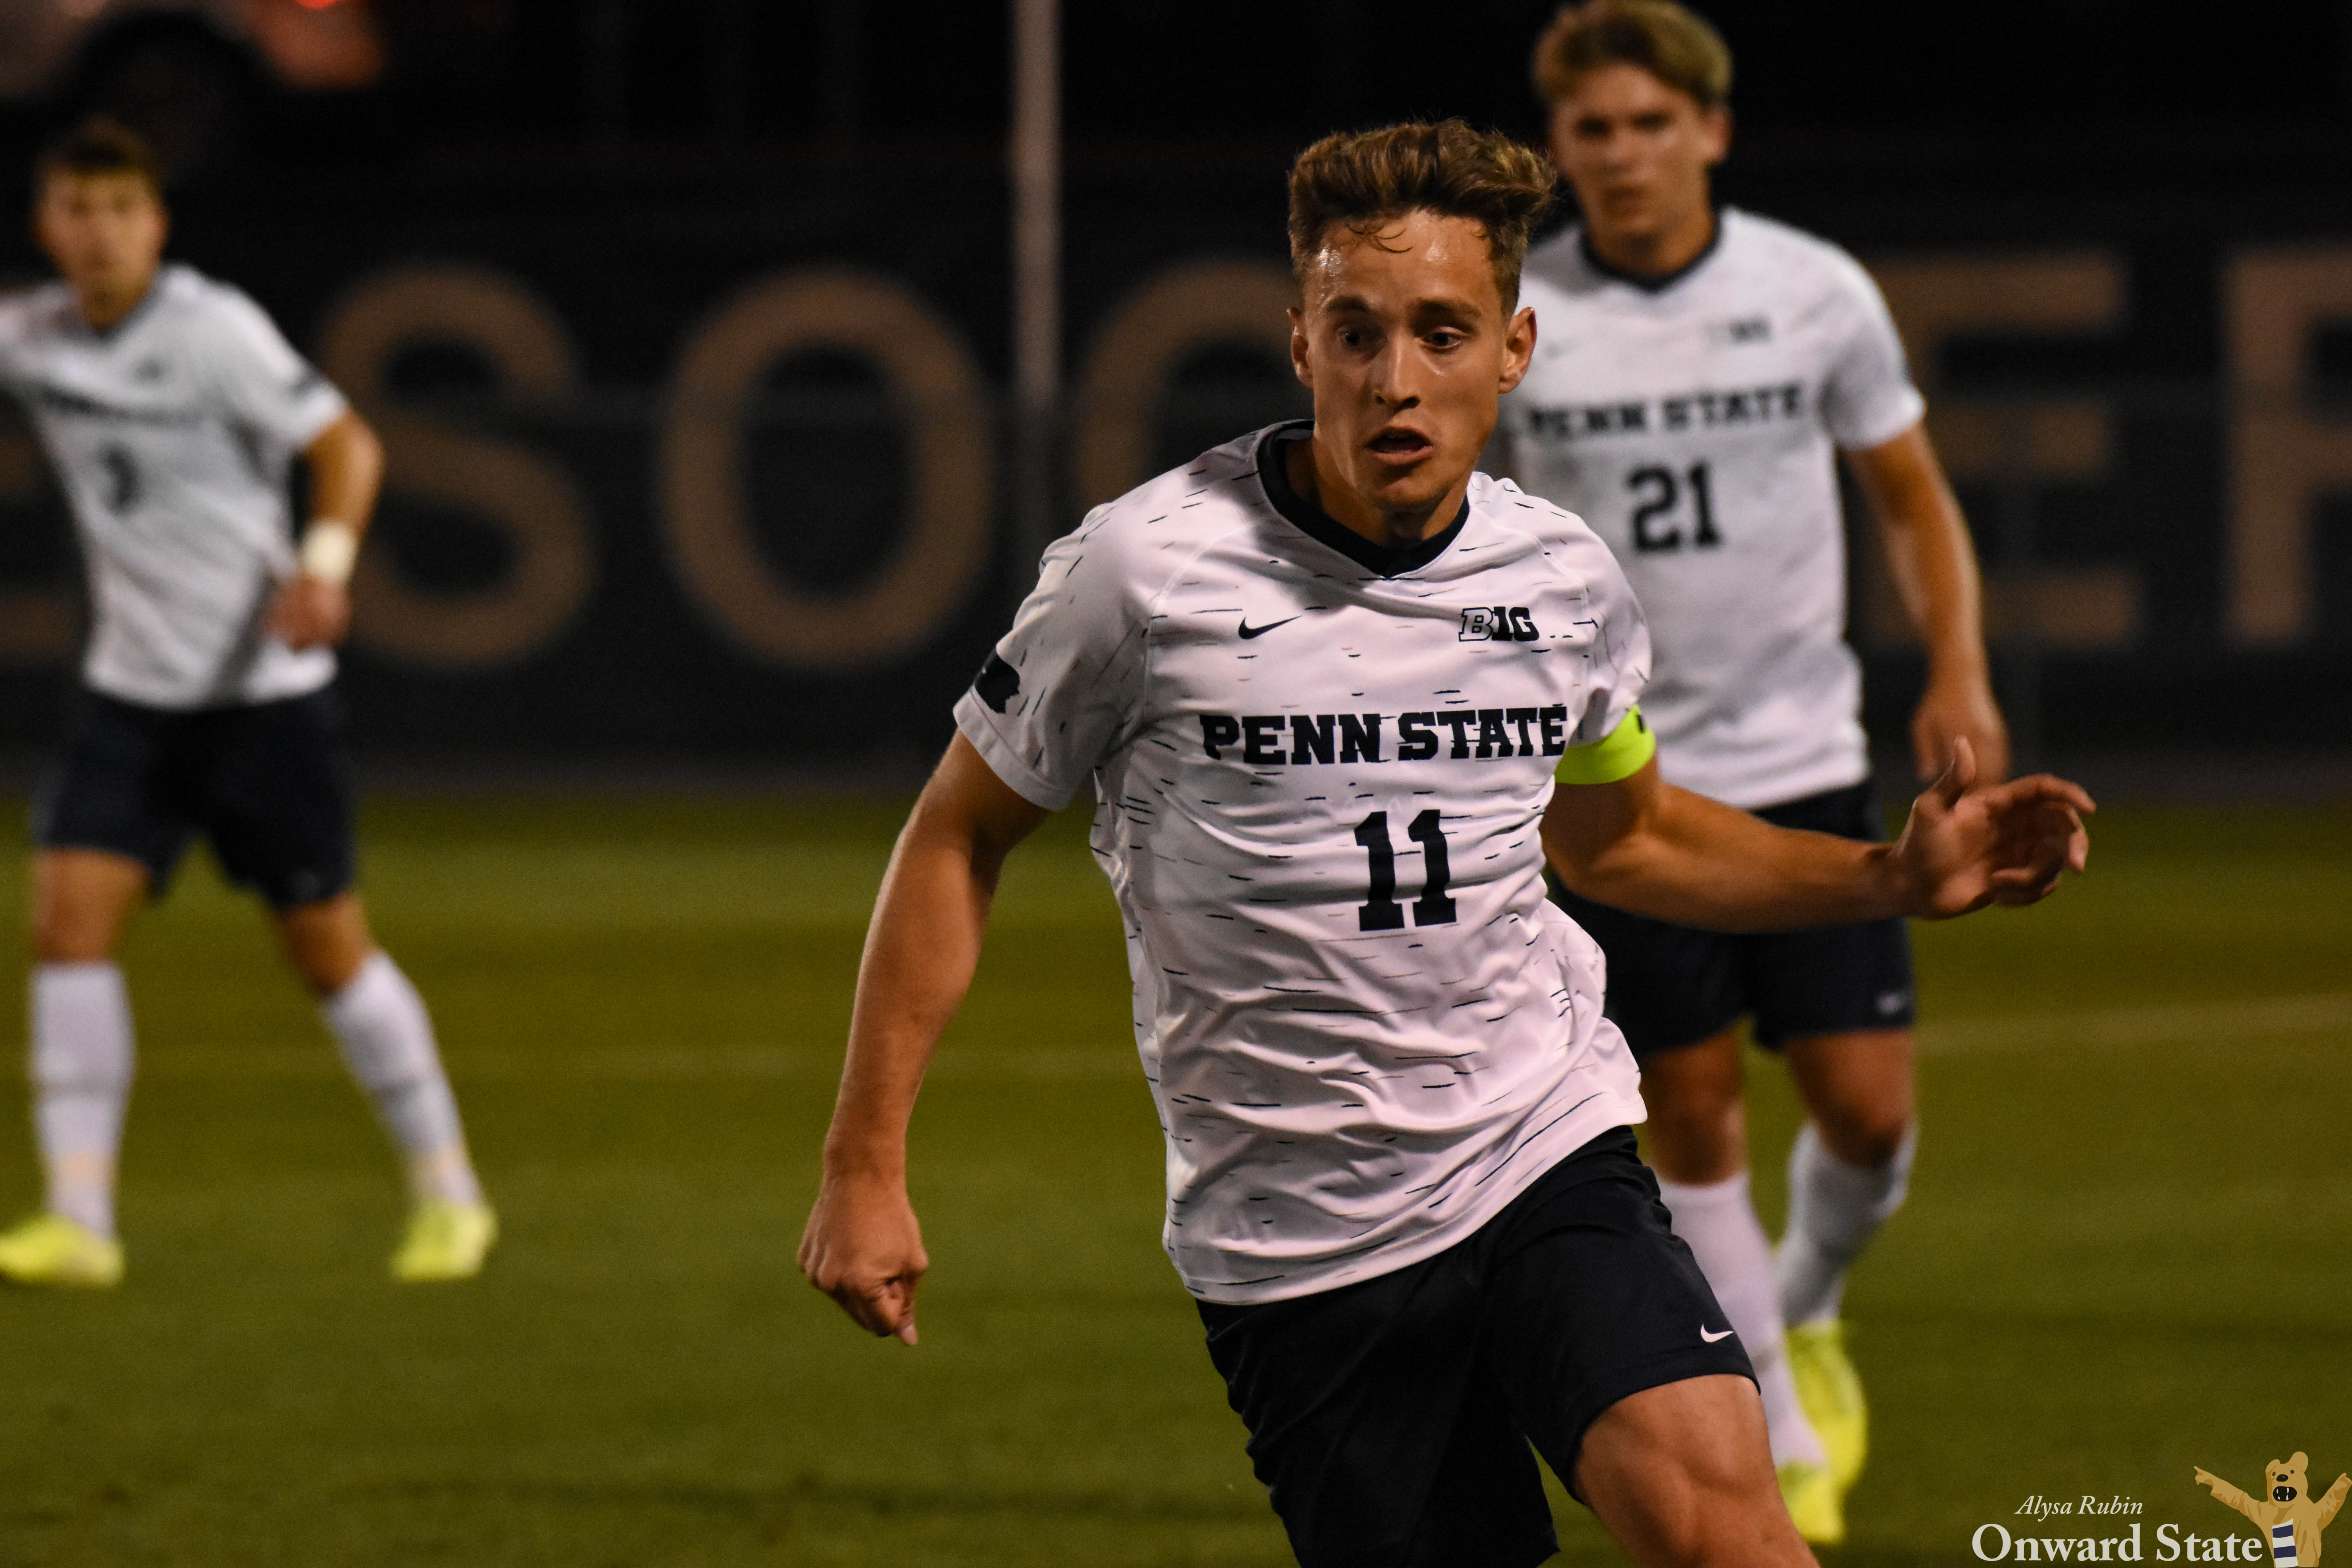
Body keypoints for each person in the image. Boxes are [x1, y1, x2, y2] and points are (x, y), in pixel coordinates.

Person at [798, 119, 2087, 1568]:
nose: (1396, 379)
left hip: (1542, 1149)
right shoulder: (1140, 574)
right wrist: (865, 1161)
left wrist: (1890, 880)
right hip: (1295, 1237)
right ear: (1299, 343)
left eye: (1442, 332)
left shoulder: (1563, 581)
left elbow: (1624, 843)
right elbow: (958, 837)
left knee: (1735, 1535)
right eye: (1355, 333)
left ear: (1516, 350)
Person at [1489, 0, 2013, 1543]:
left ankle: (1810, 1306)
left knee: (1865, 1112)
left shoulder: (1813, 292)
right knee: (1695, 1110)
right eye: (1593, 130)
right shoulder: (1528, 318)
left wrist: (1960, 667)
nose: (1624, 155)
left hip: (1805, 761)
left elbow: (1912, 500)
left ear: (1711, 130)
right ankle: (1780, 1414)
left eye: (1653, 124)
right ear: (1558, 148)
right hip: (1628, 790)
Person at [0, 119, 494, 1289]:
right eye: (78, 209)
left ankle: (451, 1197)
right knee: (66, 927)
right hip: (133, 696)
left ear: (158, 224)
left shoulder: (210, 328)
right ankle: (80, 1222)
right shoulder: (34, 337)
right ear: (46, 225)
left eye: (123, 209)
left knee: (327, 952)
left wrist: (324, 567)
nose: (102, 232)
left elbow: (347, 445)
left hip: (261, 701)